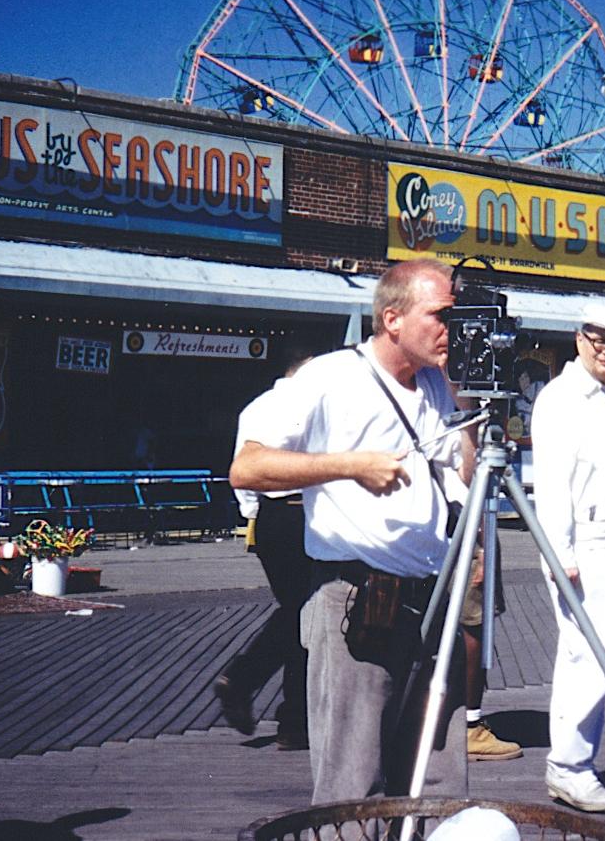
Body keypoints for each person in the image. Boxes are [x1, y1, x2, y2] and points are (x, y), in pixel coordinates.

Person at [228, 258, 475, 804]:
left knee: (437, 780)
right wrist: (350, 465)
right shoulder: (332, 377)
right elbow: (248, 467)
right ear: (392, 319)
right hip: (358, 600)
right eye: (440, 316)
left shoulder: (437, 384)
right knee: (353, 785)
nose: (451, 331)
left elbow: (463, 479)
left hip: (431, 601)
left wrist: (474, 405)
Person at [528, 303, 605, 813]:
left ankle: (579, 765)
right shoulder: (562, 400)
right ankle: (568, 767)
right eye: (600, 340)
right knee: (597, 654)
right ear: (578, 339)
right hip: (585, 550)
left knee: (591, 656)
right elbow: (552, 484)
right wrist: (560, 554)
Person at [214, 352, 315, 751]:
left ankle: (294, 718)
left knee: (299, 611)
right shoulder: (308, 404)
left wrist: (253, 515)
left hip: (271, 515)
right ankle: (246, 678)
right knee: (305, 612)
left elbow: (242, 468)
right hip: (302, 513)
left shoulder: (256, 407)